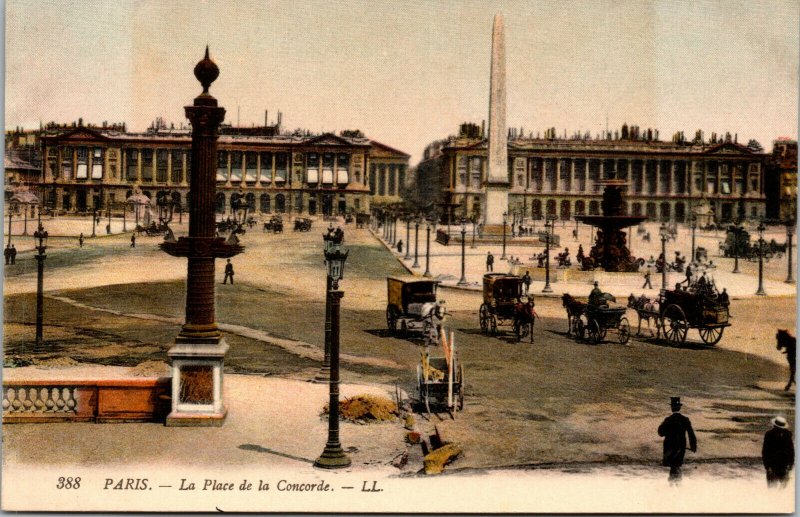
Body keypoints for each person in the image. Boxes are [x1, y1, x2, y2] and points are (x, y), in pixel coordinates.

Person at [657, 396, 697, 484]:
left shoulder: (668, 420)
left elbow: (660, 433)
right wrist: (693, 446)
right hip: (680, 446)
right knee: (677, 465)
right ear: (679, 407)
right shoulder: (685, 420)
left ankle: (672, 485)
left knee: (673, 466)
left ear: (672, 407)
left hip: (669, 446)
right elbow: (691, 434)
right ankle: (678, 484)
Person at [762, 416, 794, 487]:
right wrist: (768, 467)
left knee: (781, 488)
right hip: (774, 466)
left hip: (782, 466)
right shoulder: (769, 435)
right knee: (774, 488)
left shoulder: (787, 435)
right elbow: (765, 452)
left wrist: (790, 466)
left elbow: (791, 451)